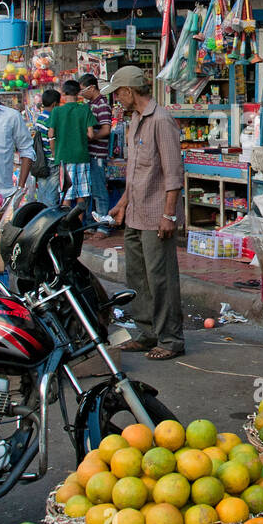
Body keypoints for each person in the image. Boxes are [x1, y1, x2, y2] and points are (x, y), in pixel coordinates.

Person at [104, 65, 185, 361]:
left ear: (128, 91)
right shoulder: (135, 119)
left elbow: (173, 174)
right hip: (136, 212)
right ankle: (147, 331)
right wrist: (123, 202)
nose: (117, 100)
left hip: (156, 214)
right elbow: (136, 172)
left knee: (160, 277)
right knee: (137, 276)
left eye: (118, 94)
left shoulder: (161, 121)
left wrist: (169, 215)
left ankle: (171, 338)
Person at [49, 79, 97, 214]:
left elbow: (51, 134)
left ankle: (66, 226)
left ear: (63, 93)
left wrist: (54, 152)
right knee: (81, 195)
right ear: (78, 93)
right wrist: (79, 137)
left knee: (66, 194)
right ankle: (79, 229)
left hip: (63, 157)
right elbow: (91, 134)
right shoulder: (84, 109)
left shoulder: (57, 111)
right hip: (81, 155)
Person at [78, 73, 114, 226]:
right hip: (88, 154)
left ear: (91, 87)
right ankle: (91, 225)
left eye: (83, 90)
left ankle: (103, 227)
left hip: (98, 154)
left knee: (99, 191)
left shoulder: (102, 105)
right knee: (89, 192)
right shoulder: (89, 105)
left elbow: (106, 129)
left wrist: (90, 137)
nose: (81, 93)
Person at [33, 88, 61, 209]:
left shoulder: (40, 118)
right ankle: (50, 219)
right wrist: (55, 157)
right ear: (55, 104)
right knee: (52, 194)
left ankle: (40, 218)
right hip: (51, 159)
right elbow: (52, 140)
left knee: (42, 193)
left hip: (41, 161)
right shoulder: (52, 119)